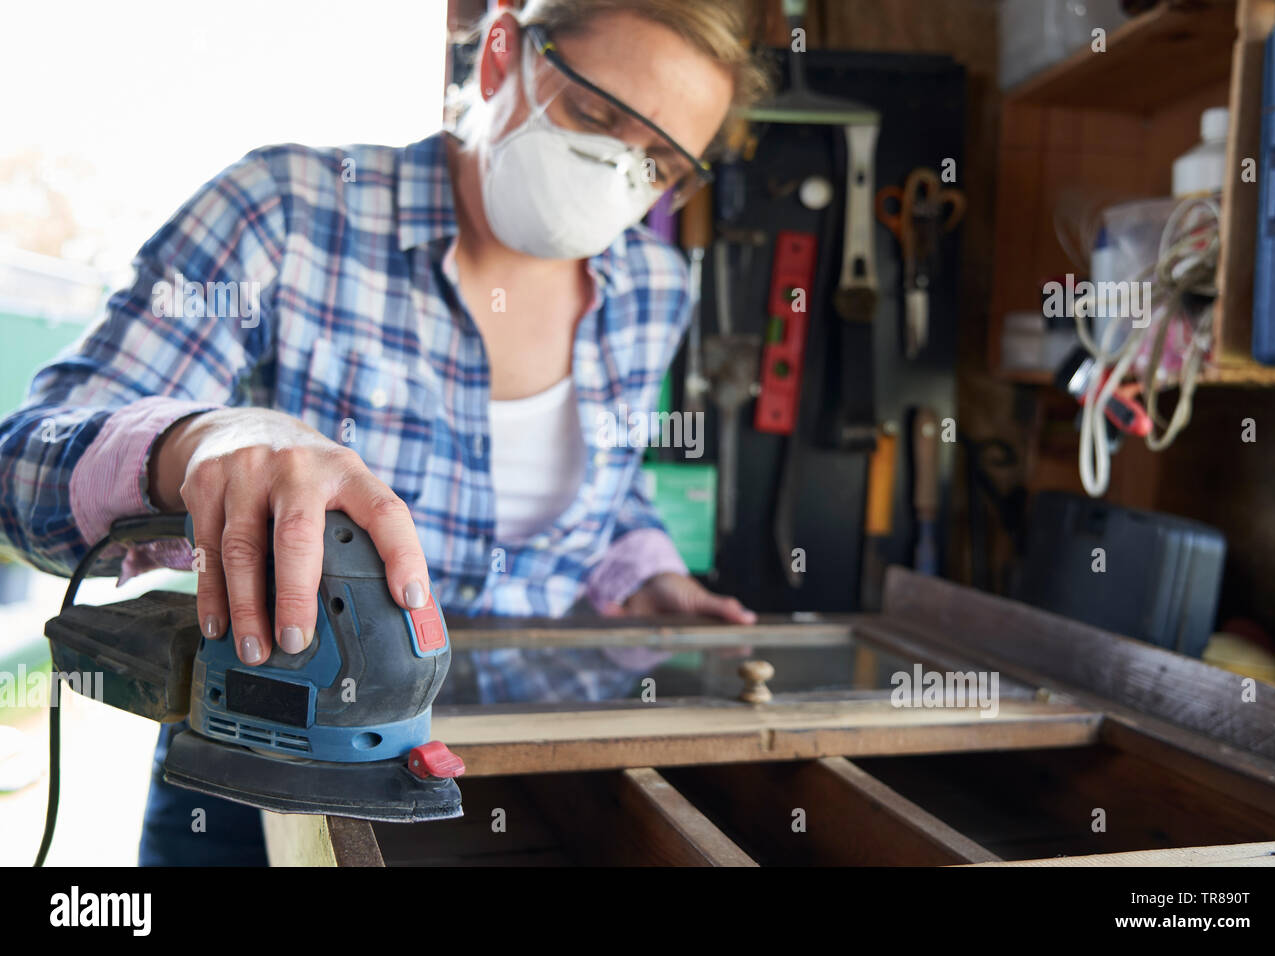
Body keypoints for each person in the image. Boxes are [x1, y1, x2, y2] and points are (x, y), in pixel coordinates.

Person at [0, 0, 769, 864]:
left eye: (659, 162)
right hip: (268, 775)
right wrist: (200, 445)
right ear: (501, 56)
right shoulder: (283, 214)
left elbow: (607, 484)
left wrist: (646, 570)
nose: (619, 167)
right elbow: (20, 475)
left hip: (531, 763)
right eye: (598, 115)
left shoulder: (654, 289)